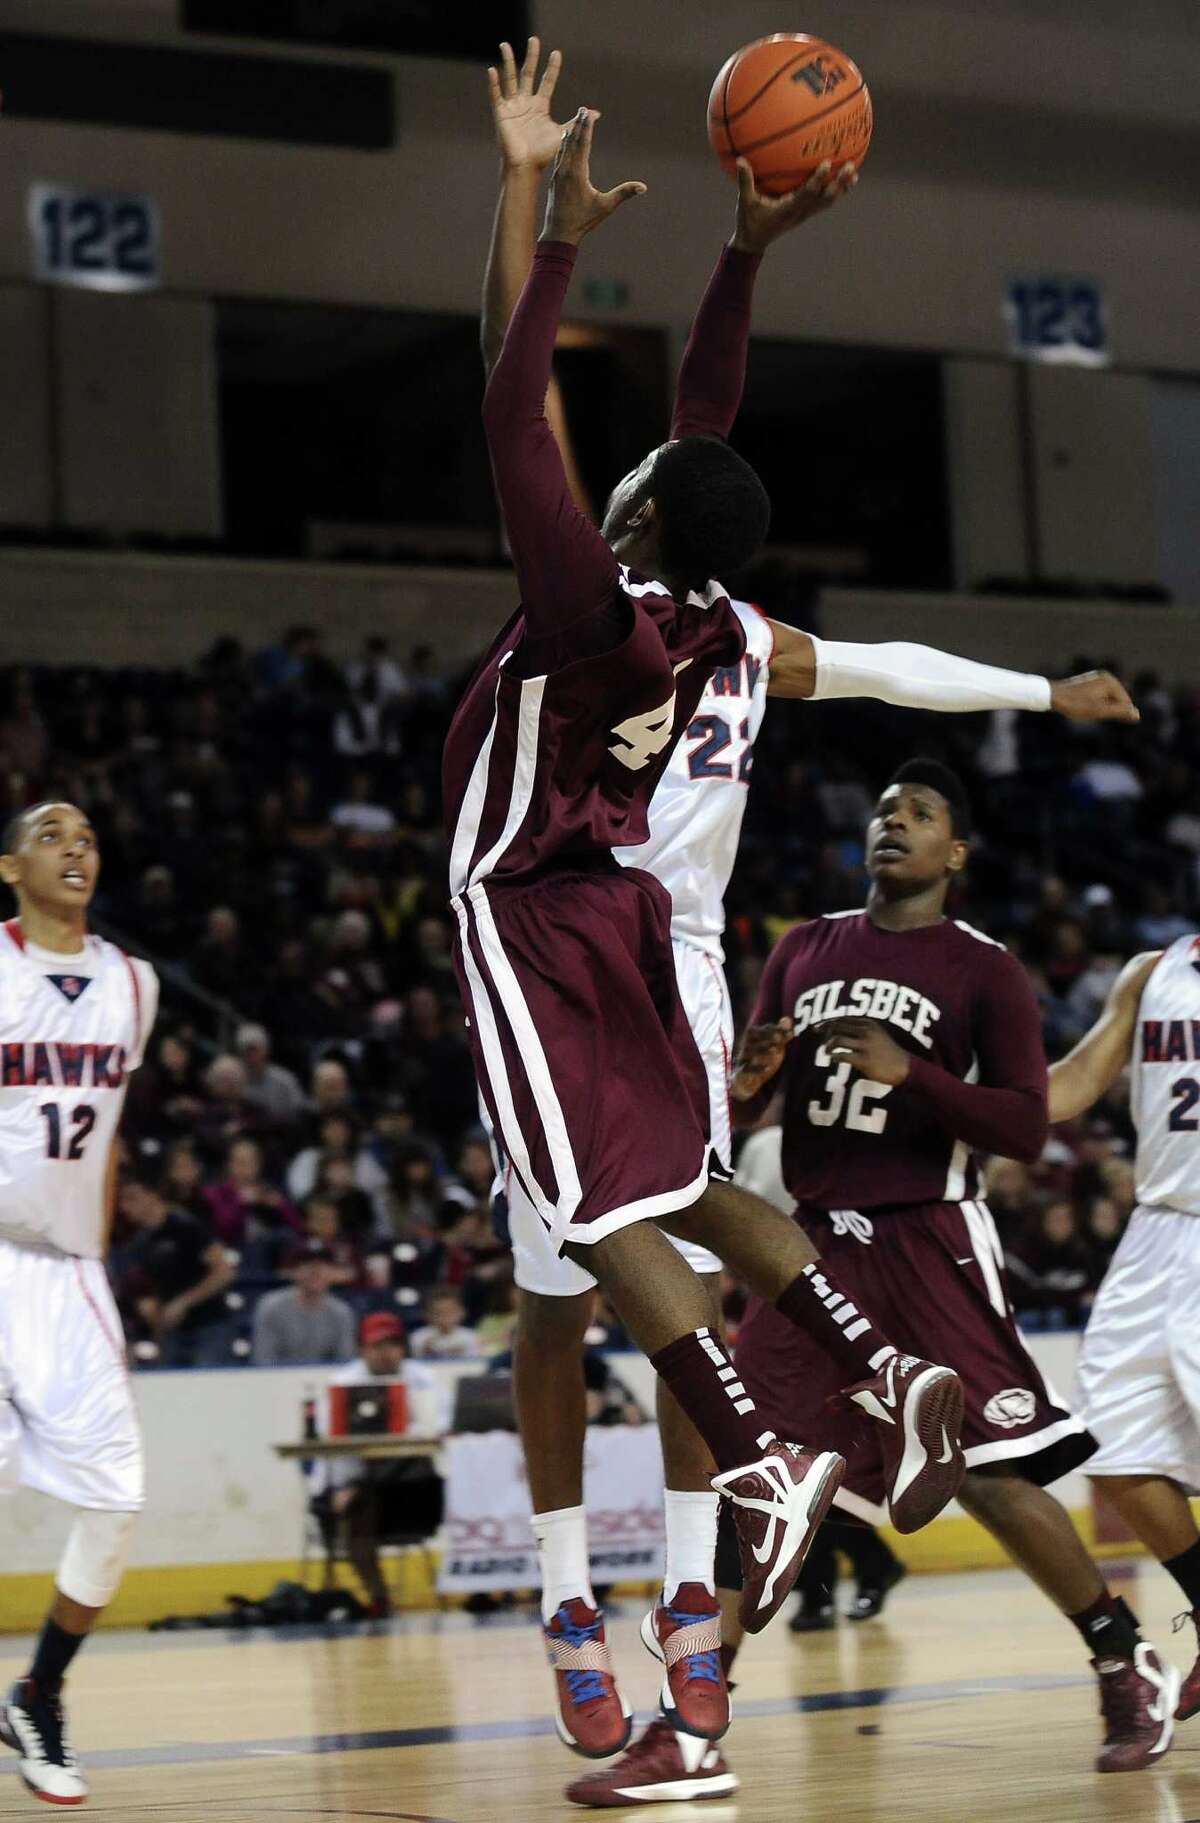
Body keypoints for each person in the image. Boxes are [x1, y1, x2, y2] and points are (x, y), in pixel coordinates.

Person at [475, 36, 1141, 1774]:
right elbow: (724, 459)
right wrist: (744, 257)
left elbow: (530, 396)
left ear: (631, 518)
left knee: (605, 1266)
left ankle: (684, 1606)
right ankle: (614, 1598)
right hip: (652, 953)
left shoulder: (607, 610)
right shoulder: (735, 629)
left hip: (599, 936)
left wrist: (540, 215)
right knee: (619, 1263)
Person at [610, 759, 1168, 1806]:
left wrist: (916, 1075)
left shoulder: (986, 970)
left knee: (993, 1472)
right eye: (881, 810)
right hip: (808, 1248)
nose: (891, 823)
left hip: (930, 1238)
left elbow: (1024, 1123)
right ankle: (691, 1720)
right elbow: (748, 1101)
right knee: (755, 1484)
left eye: (917, 815)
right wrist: (746, 1081)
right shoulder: (802, 945)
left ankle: (1120, 1654)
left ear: (955, 853)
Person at [0, 801, 159, 1805]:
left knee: (116, 1498)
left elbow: (104, 1140)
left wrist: (92, 1266)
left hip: (66, 1275)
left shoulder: (132, 985)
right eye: (53, 835)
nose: (75, 849)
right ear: (10, 864)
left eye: (91, 837)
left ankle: (37, 1693)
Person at [1048, 931, 1200, 1725]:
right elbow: (1074, 1083)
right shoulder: (1152, 970)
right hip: (1157, 1231)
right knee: (1108, 1442)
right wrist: (951, 1099)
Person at [308, 1312, 445, 1618]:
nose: (385, 1353)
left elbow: (438, 1424)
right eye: (377, 1346)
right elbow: (330, 1438)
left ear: (403, 1348)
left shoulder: (422, 1378)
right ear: (362, 1349)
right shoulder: (342, 1384)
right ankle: (379, 1596)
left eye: (393, 1344)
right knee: (358, 1510)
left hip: (409, 1487)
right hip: (355, 1484)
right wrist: (345, 1485)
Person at [117, 1171, 235, 1365]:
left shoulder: (185, 1226)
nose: (125, 1207)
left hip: (209, 1326)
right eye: (122, 1200)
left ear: (152, 1195)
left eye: (132, 1198)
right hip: (173, 1331)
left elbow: (224, 1272)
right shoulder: (140, 1242)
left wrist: (184, 1302)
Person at [251, 1245, 356, 1366]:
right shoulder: (272, 1307)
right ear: (294, 1271)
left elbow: (344, 1363)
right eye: (308, 1264)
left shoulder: (341, 1312)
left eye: (323, 1265)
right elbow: (263, 1360)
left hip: (325, 1380)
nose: (316, 1271)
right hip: (279, 1380)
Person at [235, 1022, 307, 1132]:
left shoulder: (285, 1080)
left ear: (266, 1049)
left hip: (283, 1133)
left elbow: (299, 1110)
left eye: (254, 1049)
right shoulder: (234, 1080)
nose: (251, 1055)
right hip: (248, 1134)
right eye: (246, 1050)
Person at [409, 1285, 482, 1361]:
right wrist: (425, 1350)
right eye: (438, 1313)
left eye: (450, 1312)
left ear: (461, 1312)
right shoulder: (418, 1337)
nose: (445, 1317)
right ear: (427, 1315)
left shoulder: (471, 1337)